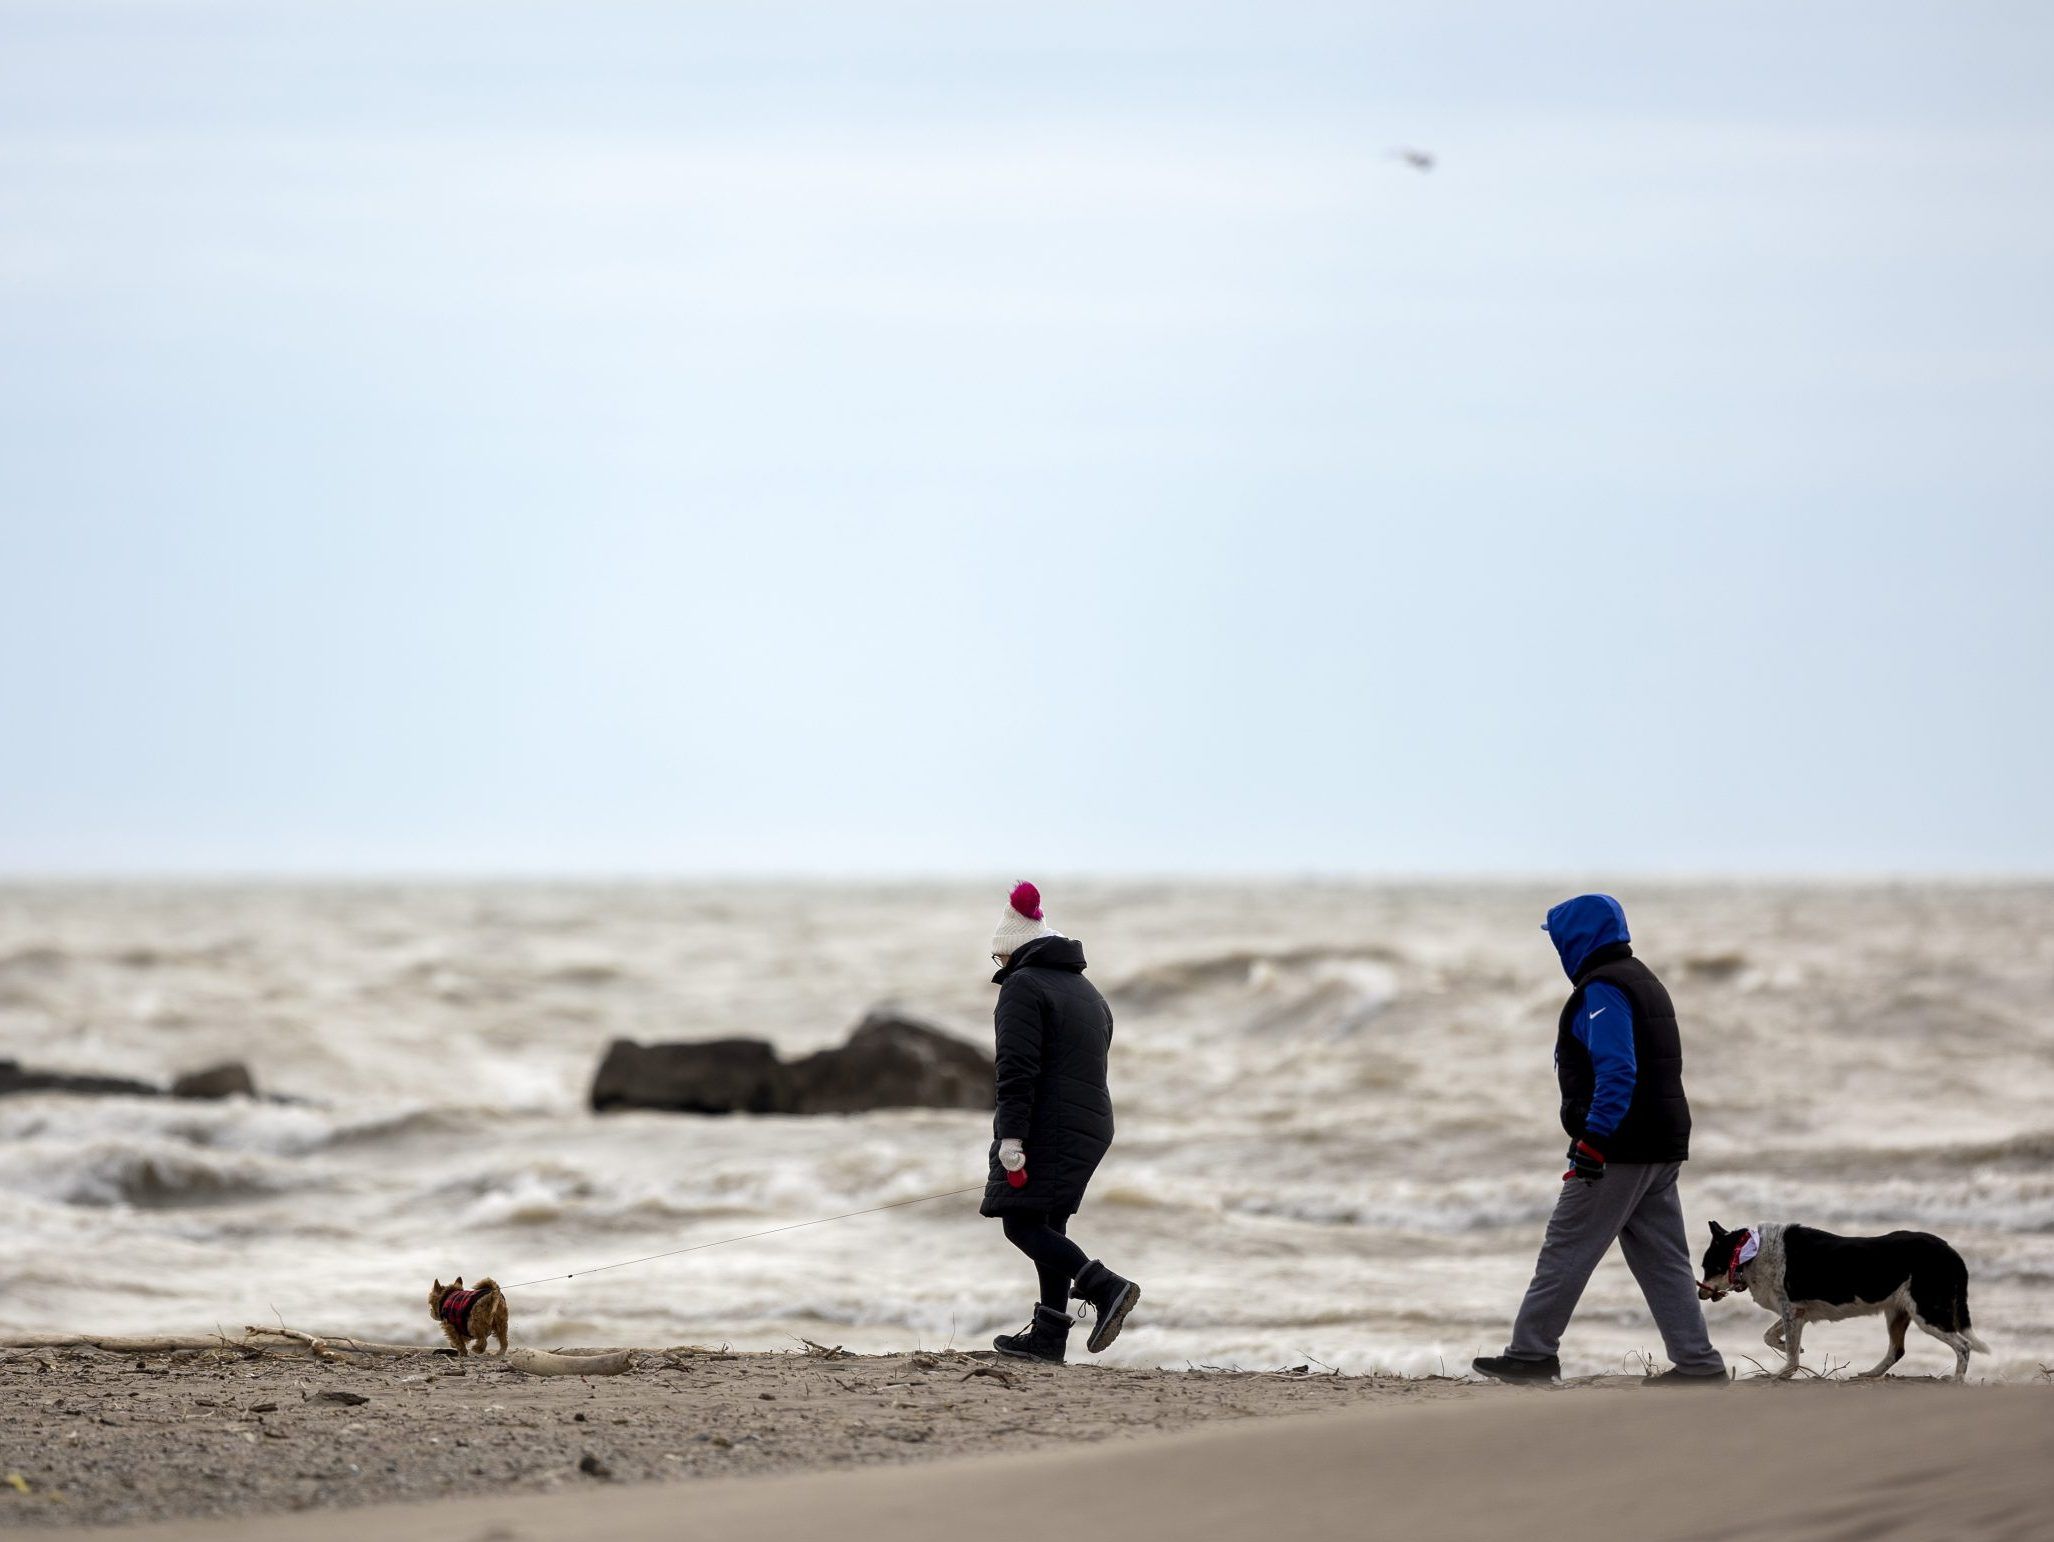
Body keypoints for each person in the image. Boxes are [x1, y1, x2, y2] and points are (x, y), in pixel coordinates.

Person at [1472, 893, 1727, 1385]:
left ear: (1577, 938)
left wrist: (1594, 1139)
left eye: (1559, 939)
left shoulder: (1604, 988)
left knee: (1566, 1247)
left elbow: (1618, 1069)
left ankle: (1531, 1354)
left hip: (1621, 1146)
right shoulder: (1645, 980)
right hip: (1661, 1144)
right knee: (1664, 1259)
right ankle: (1698, 1365)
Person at [980, 881, 1141, 1364]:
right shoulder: (1088, 992)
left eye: (998, 959)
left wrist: (1012, 1137)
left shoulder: (1022, 987)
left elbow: (1016, 1069)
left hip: (1048, 1124)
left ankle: (1107, 1287)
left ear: (1010, 952)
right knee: (1047, 1223)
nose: (1000, 968)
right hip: (1091, 1126)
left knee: (1020, 1224)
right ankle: (1049, 1340)